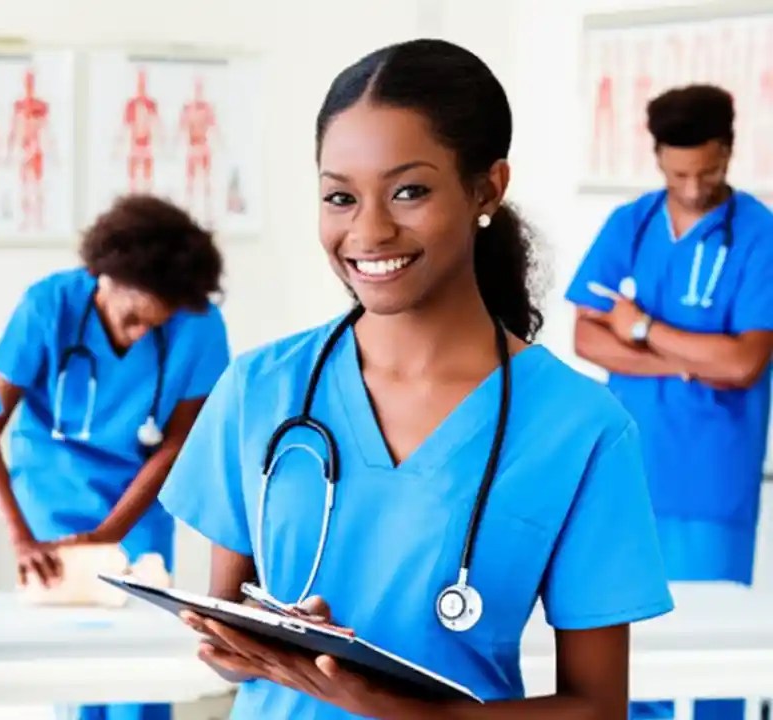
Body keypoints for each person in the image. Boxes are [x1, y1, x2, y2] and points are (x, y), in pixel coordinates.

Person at [158, 39, 676, 719]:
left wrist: (400, 708)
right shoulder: (260, 389)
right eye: (340, 197)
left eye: (409, 191)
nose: (368, 231)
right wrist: (267, 647)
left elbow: (599, 706)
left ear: (487, 187)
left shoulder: (581, 428)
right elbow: (229, 634)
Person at [566, 84, 773, 720]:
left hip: (712, 483)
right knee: (631, 656)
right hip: (625, 476)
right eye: (679, 172)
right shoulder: (630, 224)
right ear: (657, 157)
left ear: (730, 153)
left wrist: (643, 329)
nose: (692, 187)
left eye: (708, 171)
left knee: (708, 669)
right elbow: (583, 336)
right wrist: (689, 362)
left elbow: (743, 363)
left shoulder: (760, 235)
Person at [0, 193, 230, 720]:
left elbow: (177, 444)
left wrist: (109, 532)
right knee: (73, 662)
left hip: (138, 497)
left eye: (153, 327)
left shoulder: (198, 323)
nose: (141, 334)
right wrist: (21, 538)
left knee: (140, 655)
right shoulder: (48, 307)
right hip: (52, 490)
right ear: (104, 278)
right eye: (133, 318)